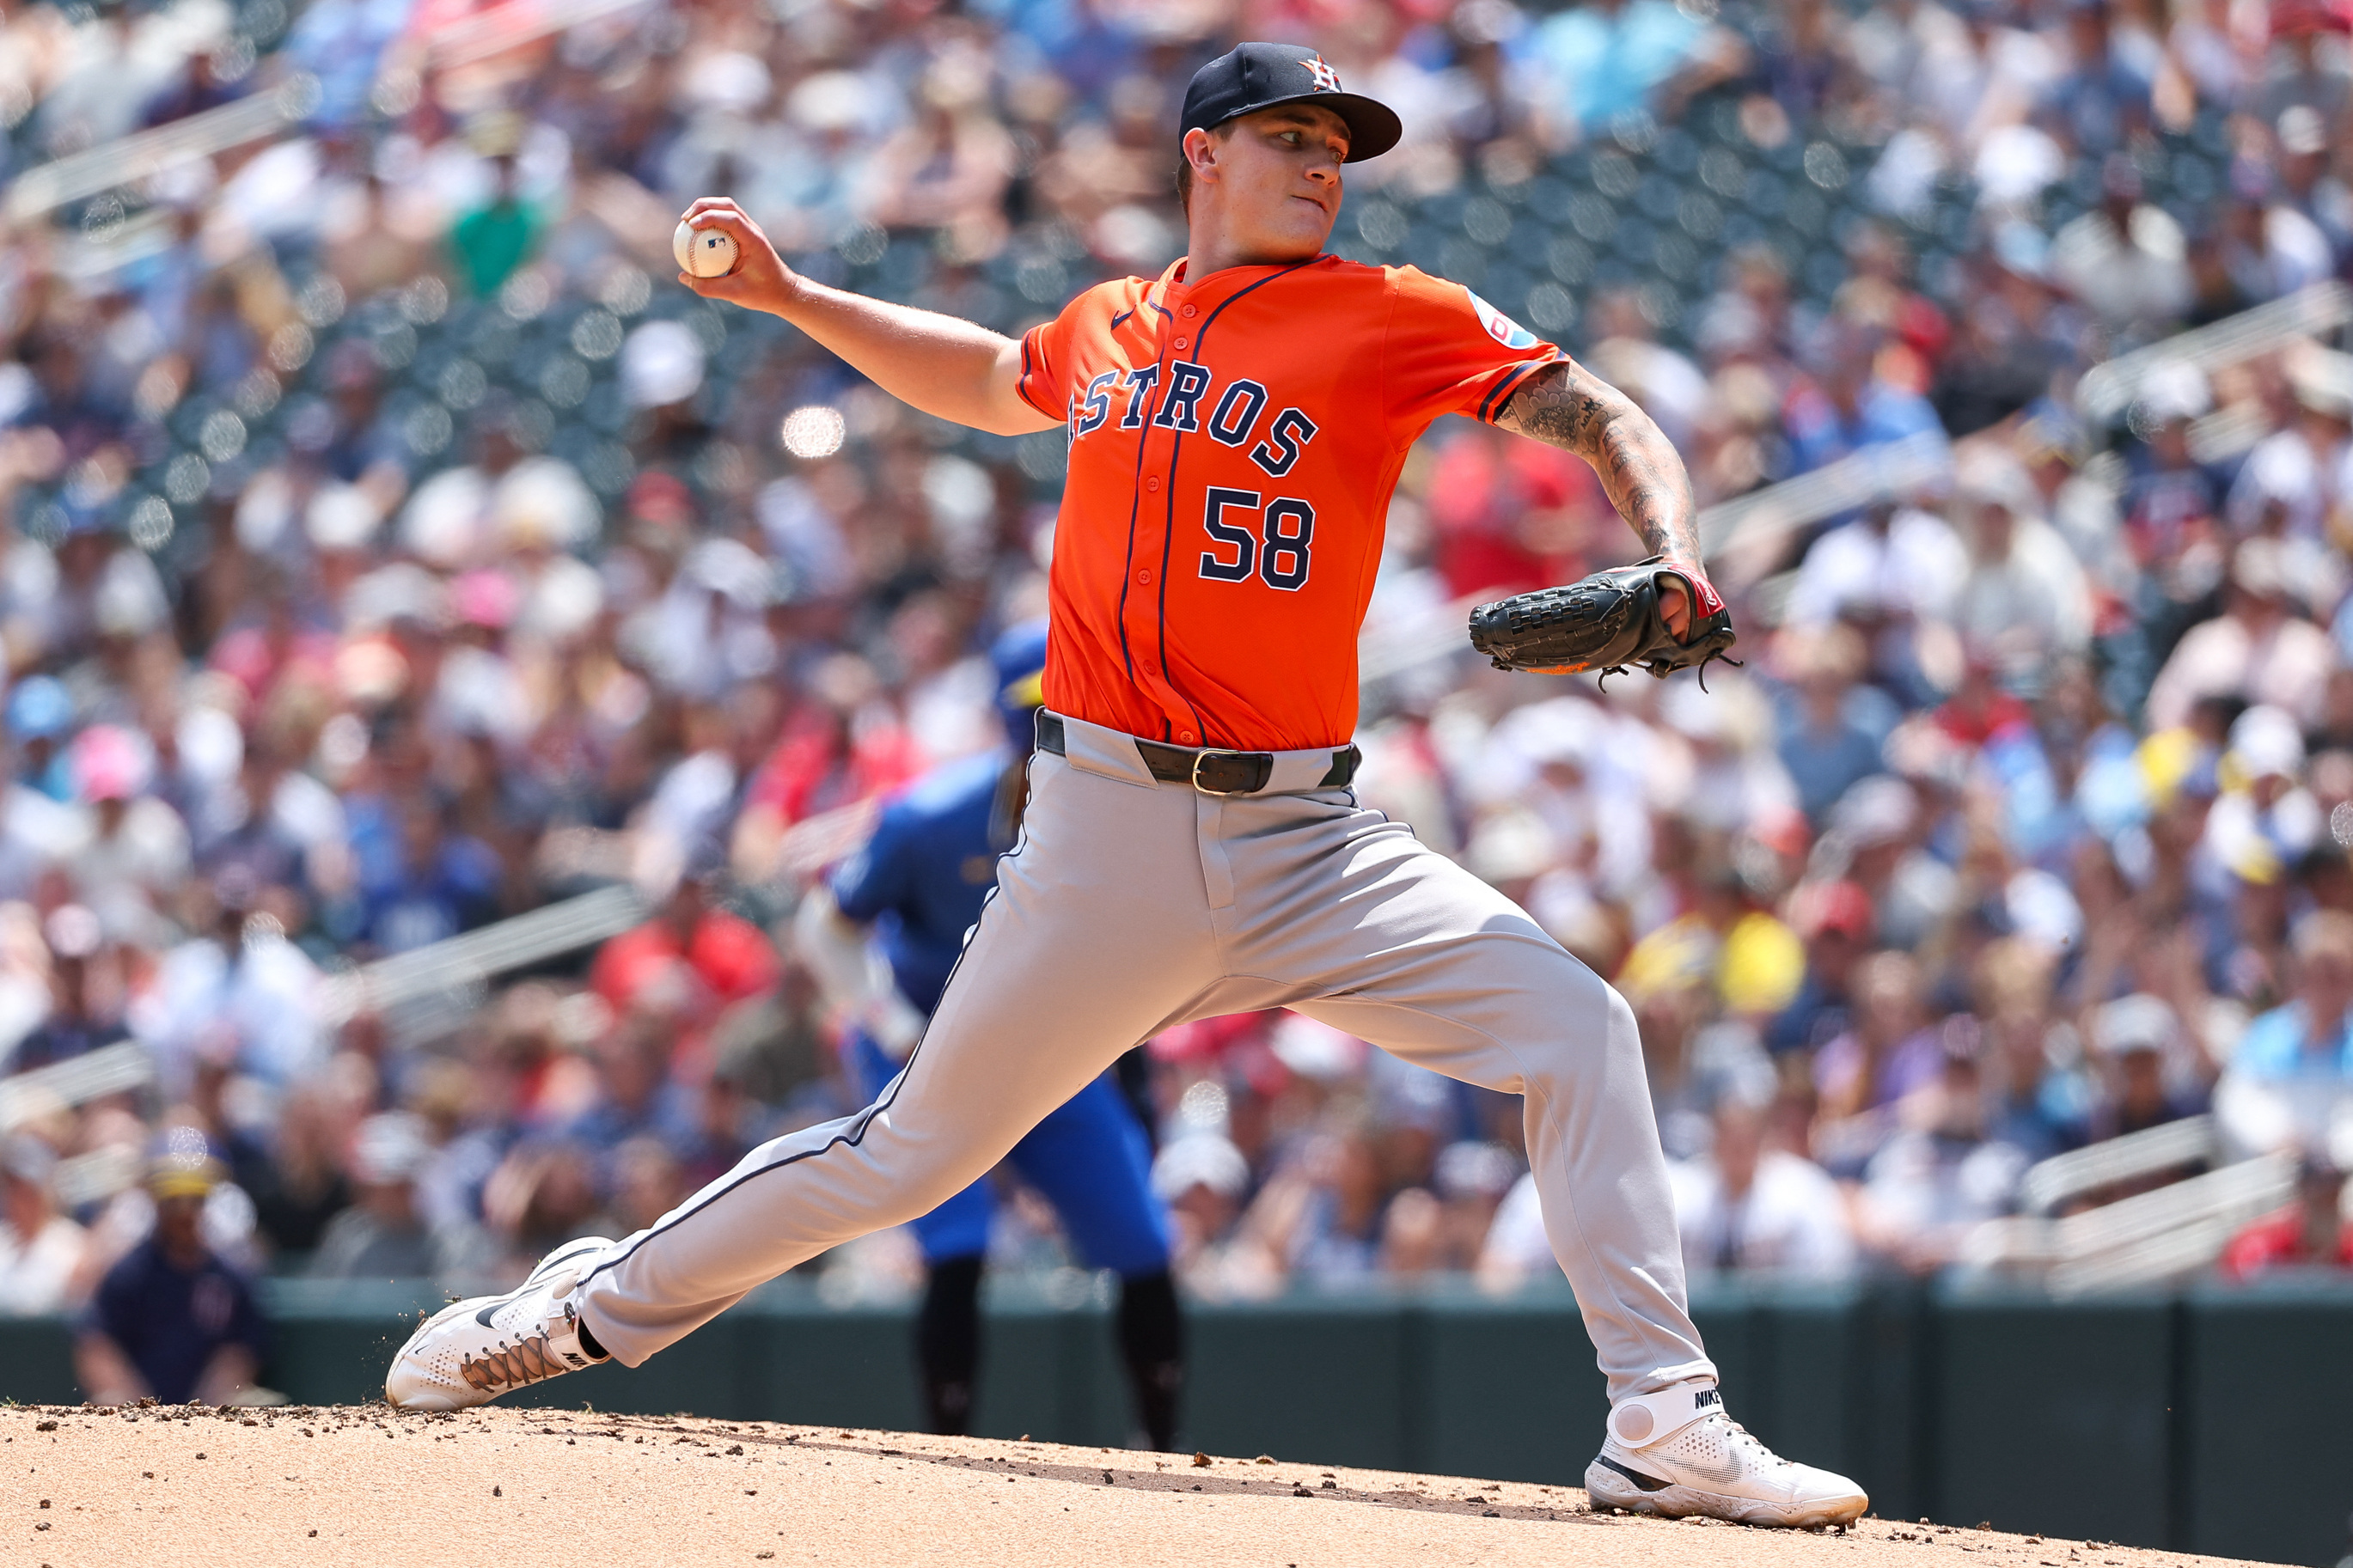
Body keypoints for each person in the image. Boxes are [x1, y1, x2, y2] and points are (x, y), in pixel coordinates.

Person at [387, 43, 1867, 1528]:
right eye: (1287, 133)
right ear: (1201, 153)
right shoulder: (1110, 323)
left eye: (1335, 144)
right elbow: (979, 378)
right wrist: (789, 299)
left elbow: (1596, 407)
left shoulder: (1387, 314)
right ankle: (575, 1315)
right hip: (1103, 835)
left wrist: (1672, 551)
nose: (1320, 164)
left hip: (1309, 840)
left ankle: (1663, 1425)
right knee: (903, 1158)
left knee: (1578, 1030)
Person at [794, 623, 1183, 1447]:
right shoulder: (930, 816)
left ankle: (1169, 1462)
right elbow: (824, 926)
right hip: (926, 1039)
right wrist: (891, 1023)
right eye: (1045, 711)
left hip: (1046, 1041)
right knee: (956, 1239)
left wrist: (1131, 1071)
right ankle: (949, 1457)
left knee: (1142, 1241)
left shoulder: (1122, 817)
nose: (1057, 732)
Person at [76, 1131, 267, 1406]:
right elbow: (97, 1342)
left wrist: (201, 1416)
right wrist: (138, 1412)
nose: (184, 1211)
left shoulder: (229, 1278)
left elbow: (240, 1351)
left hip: (210, 1422)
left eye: (194, 1199)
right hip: (136, 1420)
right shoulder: (129, 1275)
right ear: (157, 1202)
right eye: (174, 1201)